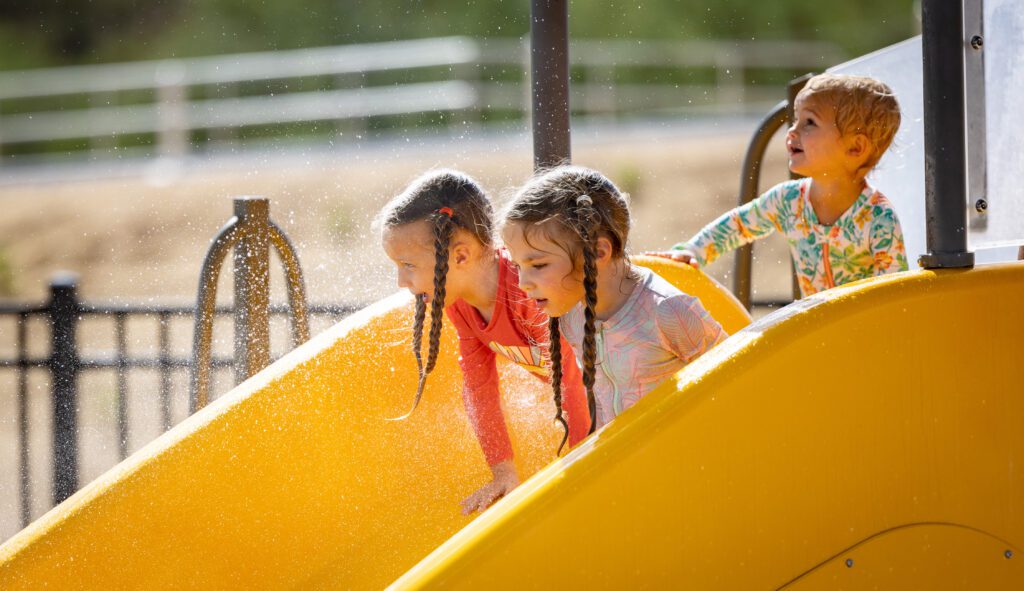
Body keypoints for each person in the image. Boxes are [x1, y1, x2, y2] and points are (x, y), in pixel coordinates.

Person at [377, 169, 590, 514]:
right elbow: (479, 388)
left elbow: (573, 380)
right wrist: (503, 472)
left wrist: (586, 460)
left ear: (460, 256)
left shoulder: (528, 290)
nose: (402, 281)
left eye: (408, 265)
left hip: (634, 383)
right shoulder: (460, 304)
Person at [502, 165, 727, 431]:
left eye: (538, 265)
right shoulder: (573, 316)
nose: (523, 283)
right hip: (628, 454)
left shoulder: (666, 311)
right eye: (517, 266)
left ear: (598, 252)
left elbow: (736, 380)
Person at [647, 73, 908, 296]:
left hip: (863, 333)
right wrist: (694, 250)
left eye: (809, 122)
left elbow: (894, 295)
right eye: (795, 120)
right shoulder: (789, 201)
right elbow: (739, 224)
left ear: (855, 147)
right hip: (815, 330)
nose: (792, 131)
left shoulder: (877, 218)